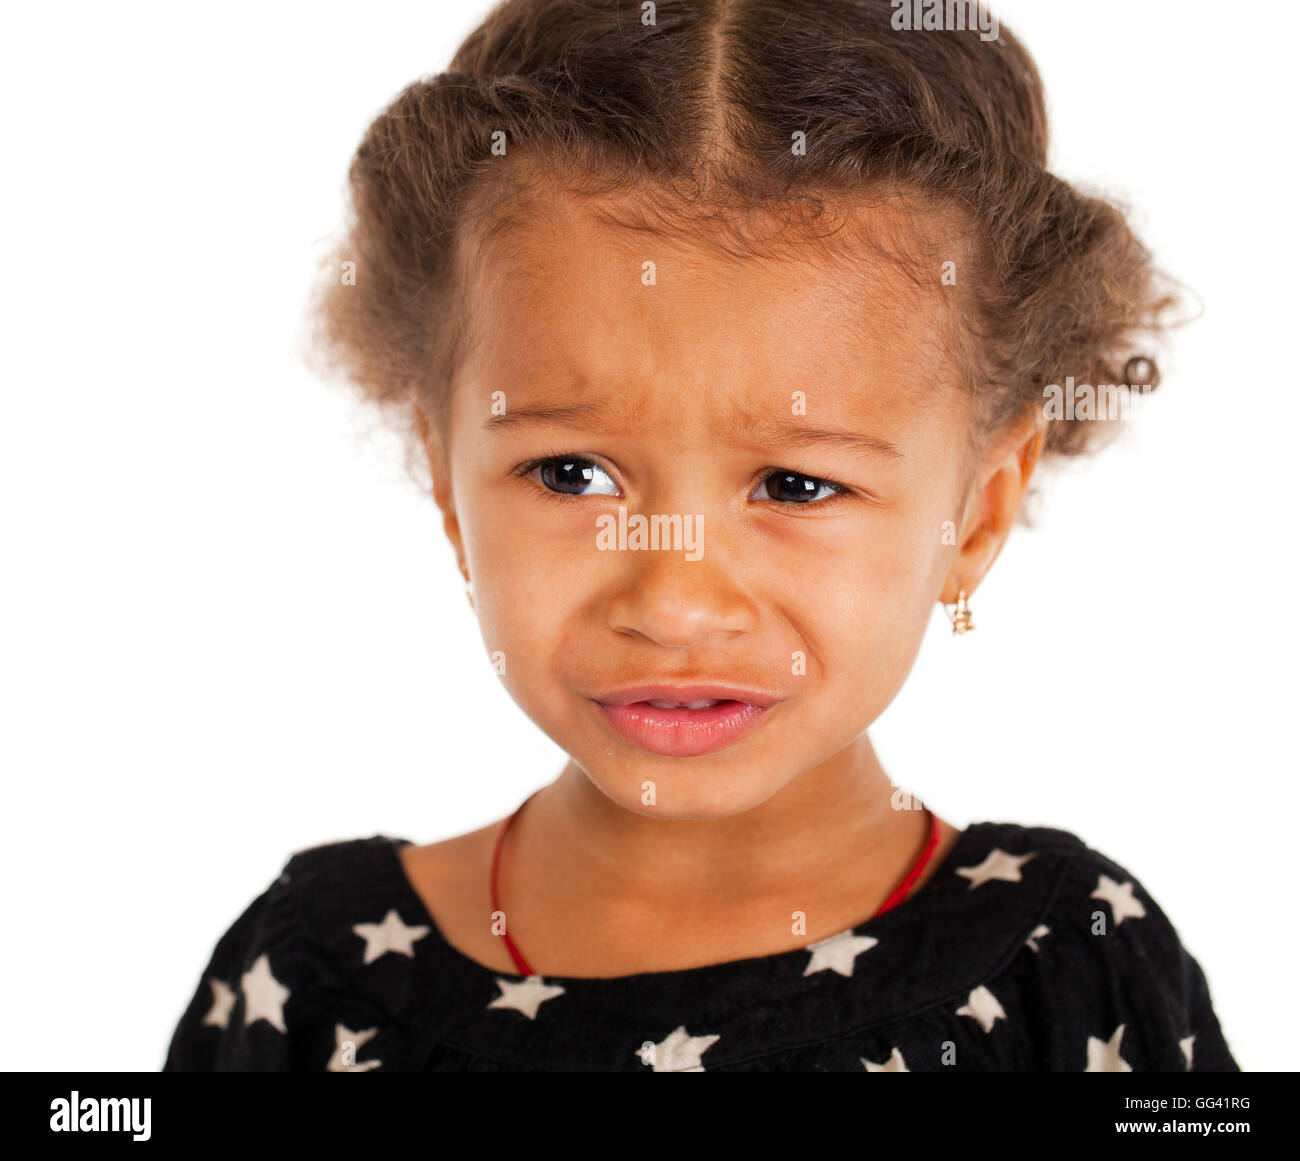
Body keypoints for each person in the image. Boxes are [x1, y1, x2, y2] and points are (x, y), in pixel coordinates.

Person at [164, 0, 1236, 1072]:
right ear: (449, 483)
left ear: (979, 512)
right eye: (570, 473)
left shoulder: (1073, 966)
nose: (674, 602)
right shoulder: (306, 975)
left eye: (796, 484)